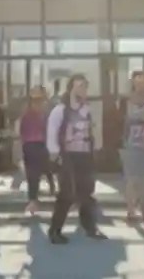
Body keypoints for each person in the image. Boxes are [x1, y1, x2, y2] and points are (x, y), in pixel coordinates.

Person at [46, 73, 105, 244]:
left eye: (85, 86)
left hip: (85, 154)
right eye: (79, 86)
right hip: (67, 156)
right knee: (66, 193)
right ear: (71, 88)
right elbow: (52, 131)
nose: (83, 90)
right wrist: (54, 152)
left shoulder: (89, 109)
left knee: (86, 192)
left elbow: (95, 128)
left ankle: (90, 227)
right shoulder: (61, 110)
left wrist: (97, 146)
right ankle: (55, 230)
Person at [119, 71, 144, 224]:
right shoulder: (125, 101)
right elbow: (118, 120)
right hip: (129, 143)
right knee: (131, 178)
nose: (140, 85)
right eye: (137, 82)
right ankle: (131, 210)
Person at [18, 86, 56, 216]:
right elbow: (23, 132)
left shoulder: (41, 115)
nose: (38, 103)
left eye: (39, 100)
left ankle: (34, 199)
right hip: (32, 146)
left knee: (39, 171)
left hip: (37, 145)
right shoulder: (32, 115)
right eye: (36, 101)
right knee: (33, 174)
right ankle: (33, 200)